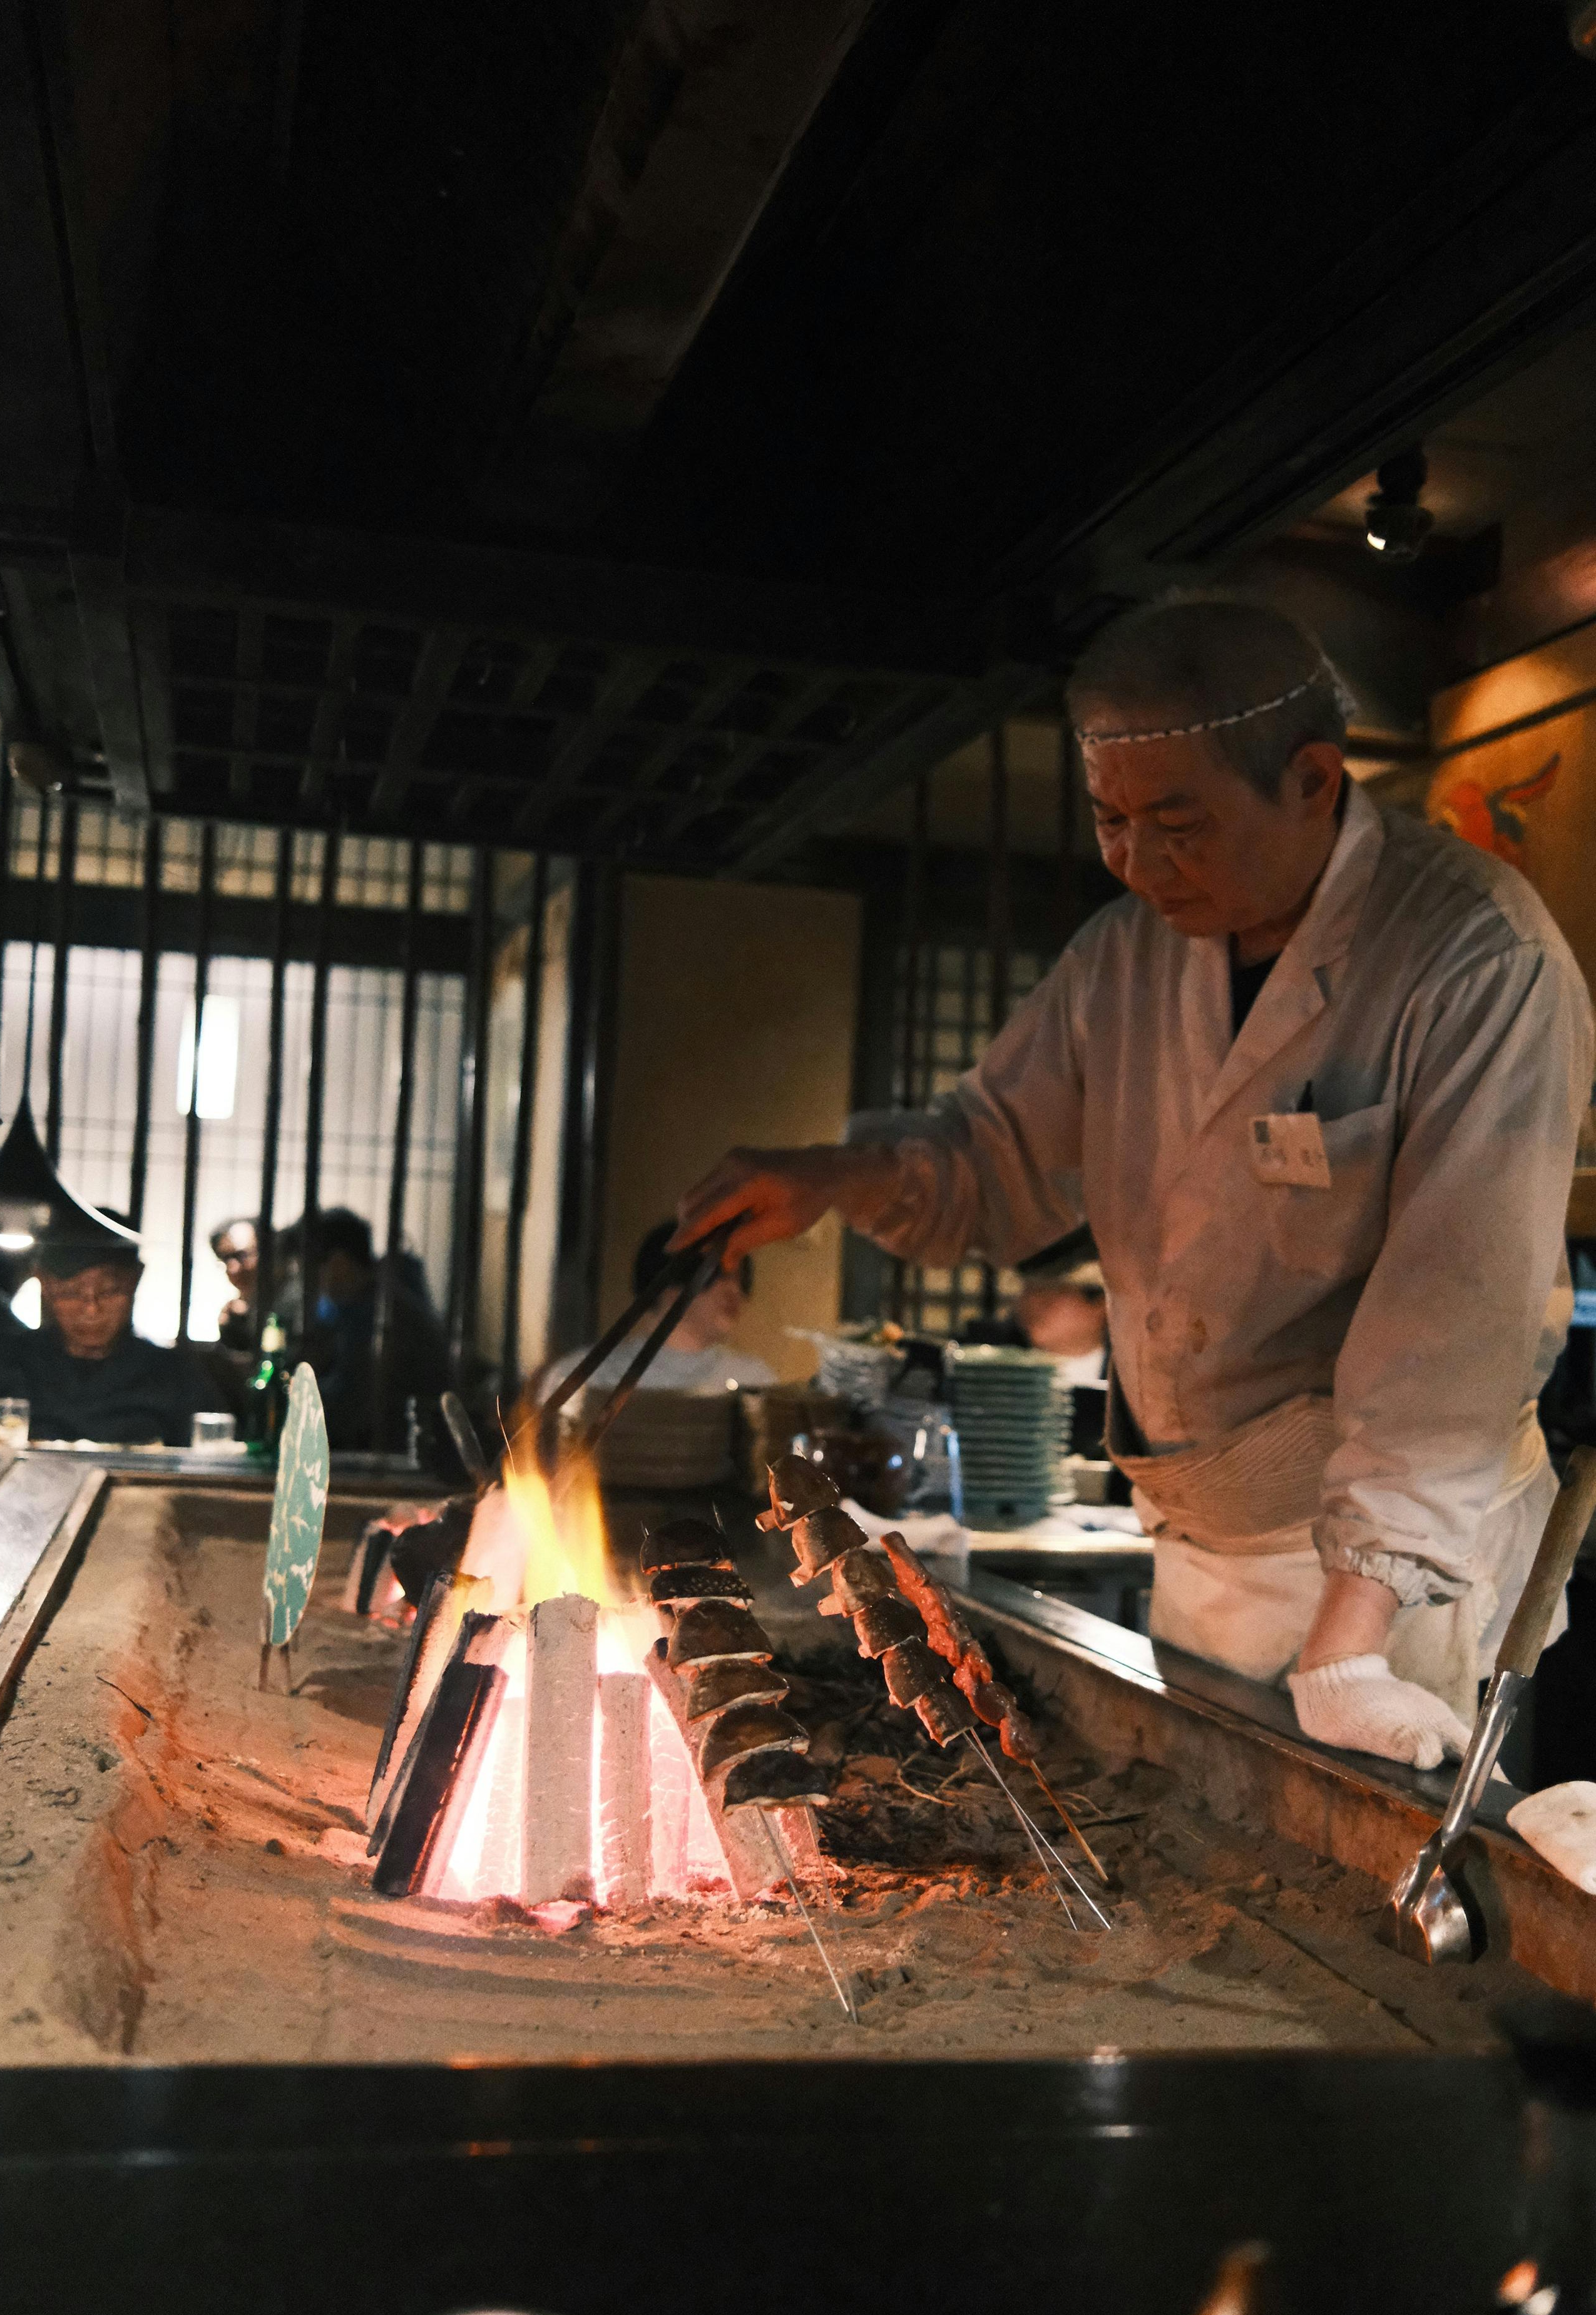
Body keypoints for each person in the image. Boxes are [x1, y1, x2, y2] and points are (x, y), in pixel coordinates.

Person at [671, 592, 1595, 1772]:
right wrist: (830, 1175)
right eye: (1110, 820)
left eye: (1179, 821)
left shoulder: (1474, 956)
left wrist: (1351, 1645)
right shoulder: (1125, 957)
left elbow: (1457, 1325)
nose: (1138, 862)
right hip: (1199, 1542)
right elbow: (992, 1158)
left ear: (1313, 778)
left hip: (1400, 1579)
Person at [0, 1229, 222, 1445]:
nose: (91, 1310)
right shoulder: (7, 1363)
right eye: (72, 1293)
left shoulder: (175, 1374)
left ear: (136, 1278)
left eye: (109, 1291)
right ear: (45, 1284)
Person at [540, 1220, 776, 1401]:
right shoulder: (583, 1378)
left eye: (741, 1280)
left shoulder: (754, 1382)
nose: (733, 1290)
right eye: (714, 1274)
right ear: (666, 1283)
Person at [279, 1207, 448, 1451]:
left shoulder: (380, 1317)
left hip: (401, 1454)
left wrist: (287, 1397)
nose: (307, 1285)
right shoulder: (378, 1302)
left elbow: (345, 1407)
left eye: (309, 1271)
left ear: (339, 1263)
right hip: (399, 1447)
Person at [964, 1245, 1109, 1382]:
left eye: (1050, 1292)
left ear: (1101, 1304)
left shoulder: (1125, 1370)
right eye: (1028, 1288)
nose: (1033, 1301)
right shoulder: (979, 1354)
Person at [210, 1215, 261, 1352]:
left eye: (241, 1256)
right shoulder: (234, 1312)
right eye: (225, 1259)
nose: (232, 1267)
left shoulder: (298, 1301)